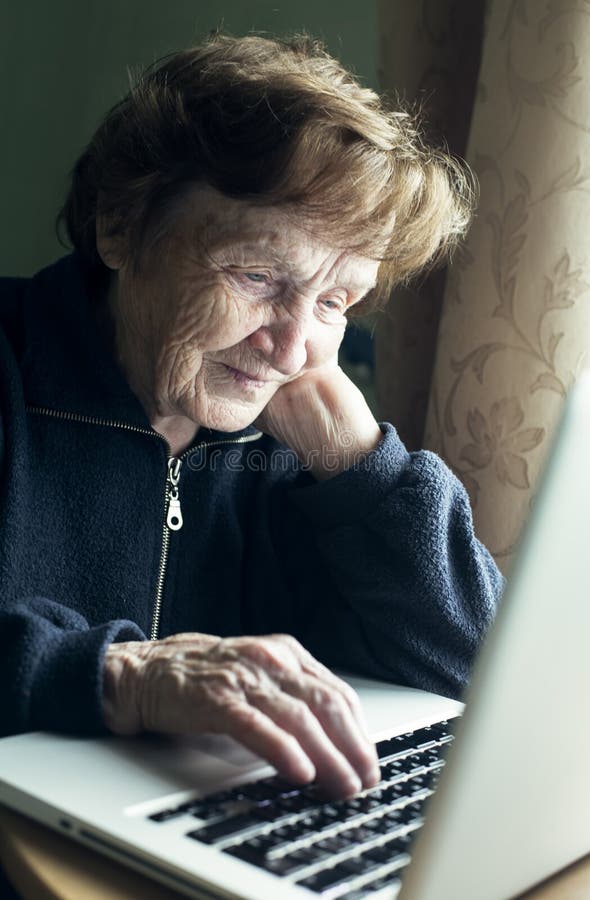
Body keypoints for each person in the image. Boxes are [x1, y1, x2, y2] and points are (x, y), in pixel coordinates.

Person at [0, 33, 503, 799]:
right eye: (259, 274)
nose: (294, 348)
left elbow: (480, 671)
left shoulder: (295, 450)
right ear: (120, 226)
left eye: (336, 301)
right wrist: (119, 677)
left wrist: (365, 466)